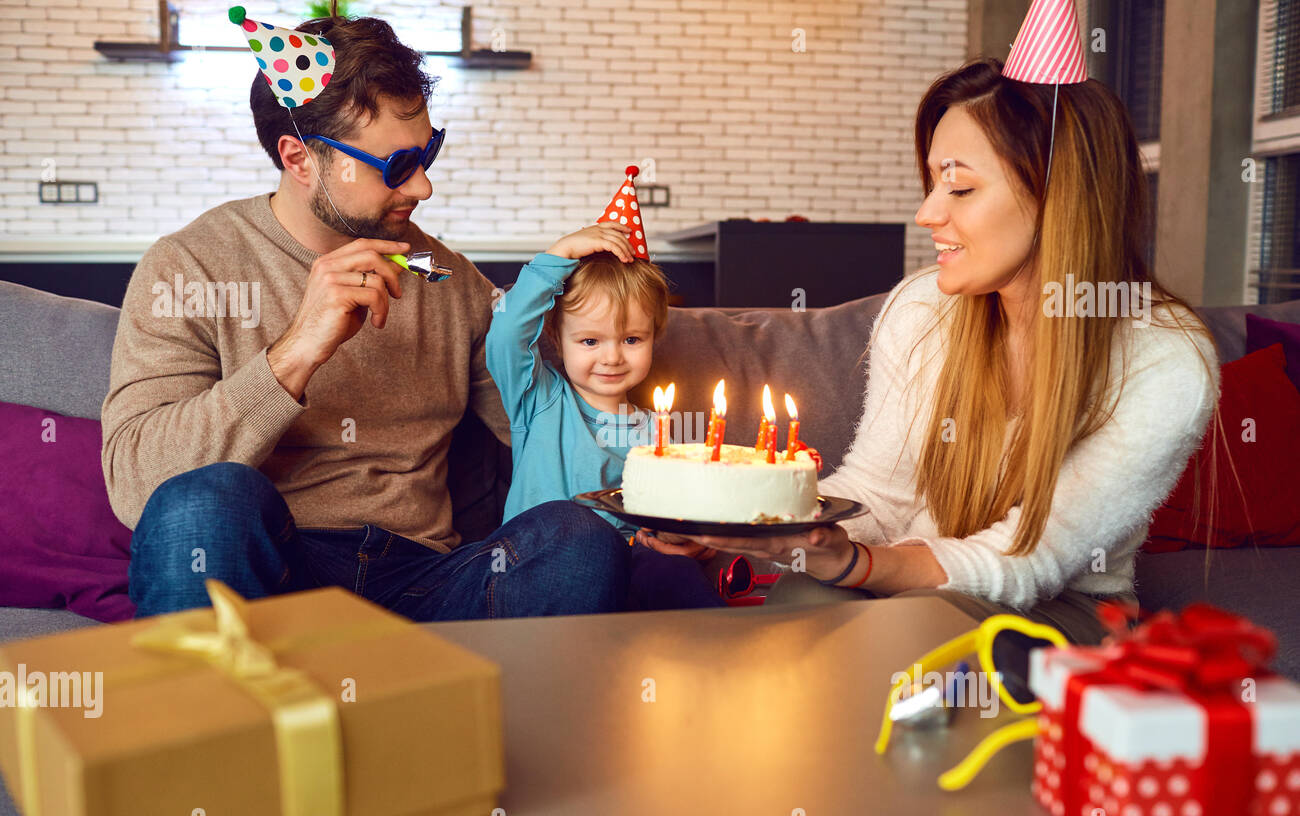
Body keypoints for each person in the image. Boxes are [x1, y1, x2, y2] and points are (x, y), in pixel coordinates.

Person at [658, 52, 1224, 645]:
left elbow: (1031, 560)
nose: (927, 212)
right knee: (804, 594)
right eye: (932, 184)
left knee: (922, 630)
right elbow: (878, 495)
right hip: (912, 580)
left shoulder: (1164, 357)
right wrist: (757, 531)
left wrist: (855, 566)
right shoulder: (924, 306)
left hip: (1059, 613)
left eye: (960, 187)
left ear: (1061, 195)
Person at [101, 13, 629, 620]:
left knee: (579, 539)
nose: (425, 187)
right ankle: (223, 713)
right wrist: (294, 354)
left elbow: (547, 426)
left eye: (428, 153)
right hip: (275, 575)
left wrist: (654, 506)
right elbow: (140, 484)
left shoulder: (442, 277)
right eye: (397, 165)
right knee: (203, 501)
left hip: (427, 582)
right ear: (300, 159)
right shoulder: (191, 266)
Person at [485, 217, 725, 611]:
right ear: (557, 340)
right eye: (590, 340)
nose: (612, 357)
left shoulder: (659, 433)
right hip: (542, 567)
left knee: (675, 574)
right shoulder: (540, 398)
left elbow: (675, 517)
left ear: (654, 336)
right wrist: (558, 255)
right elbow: (507, 332)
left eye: (631, 339)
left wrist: (687, 541)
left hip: (629, 569)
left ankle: (723, 659)